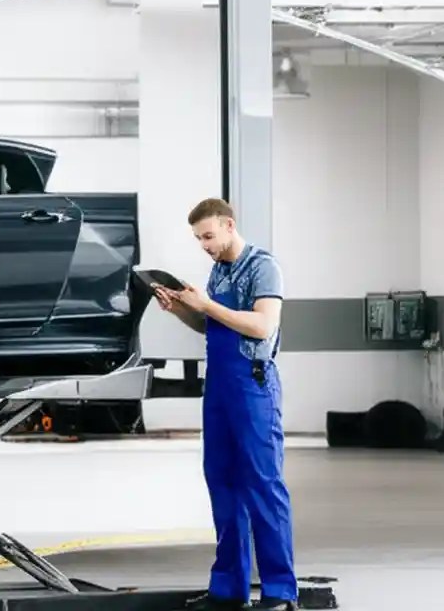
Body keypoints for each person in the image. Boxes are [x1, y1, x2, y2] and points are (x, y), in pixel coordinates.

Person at [153, 197, 297, 611]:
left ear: (229, 225)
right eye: (199, 239)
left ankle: (280, 592)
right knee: (222, 482)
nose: (204, 245)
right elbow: (210, 322)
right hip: (219, 387)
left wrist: (208, 304)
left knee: (263, 485)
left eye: (209, 236)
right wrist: (180, 309)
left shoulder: (263, 266)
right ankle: (228, 590)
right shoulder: (218, 270)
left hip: (253, 386)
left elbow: (262, 324)